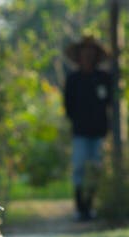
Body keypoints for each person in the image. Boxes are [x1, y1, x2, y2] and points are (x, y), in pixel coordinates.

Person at [64, 36, 112, 221]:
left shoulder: (104, 77)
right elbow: (68, 106)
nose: (88, 54)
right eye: (85, 51)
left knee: (96, 169)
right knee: (79, 169)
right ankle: (80, 208)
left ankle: (91, 207)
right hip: (80, 133)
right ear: (79, 55)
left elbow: (109, 102)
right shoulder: (73, 79)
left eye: (91, 51)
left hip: (99, 132)